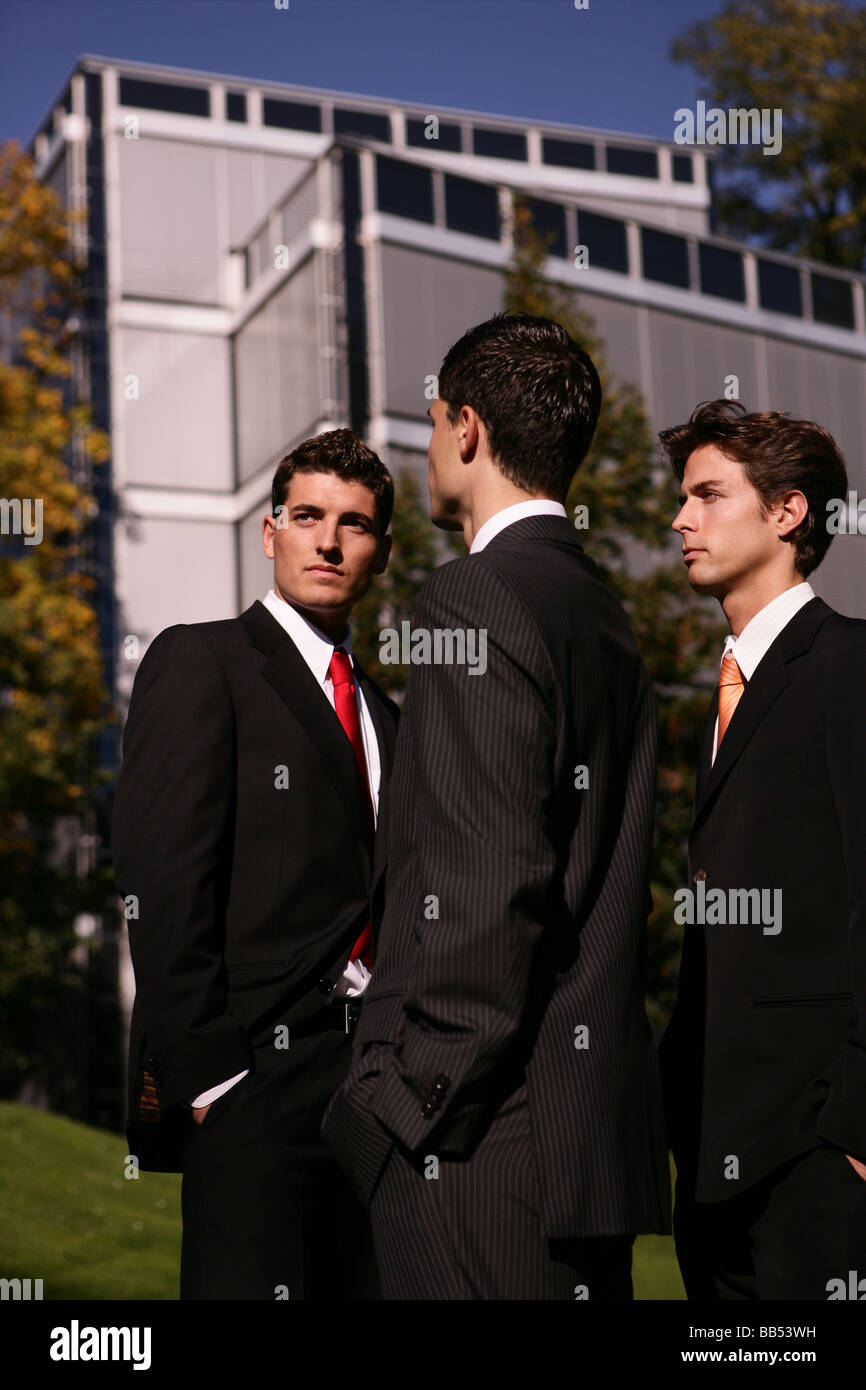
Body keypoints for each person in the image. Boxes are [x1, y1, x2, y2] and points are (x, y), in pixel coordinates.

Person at [323, 313, 671, 1300]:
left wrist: (390, 1108)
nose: (430, 448)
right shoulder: (604, 616)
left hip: (472, 1149)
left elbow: (485, 891)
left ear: (466, 429)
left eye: (433, 424)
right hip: (572, 1156)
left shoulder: (471, 600)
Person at [112, 429, 399, 1300]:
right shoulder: (203, 661)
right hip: (250, 1084)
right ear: (269, 531)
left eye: (354, 524)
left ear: (380, 552)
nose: (327, 540)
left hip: (373, 1093)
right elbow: (160, 879)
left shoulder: (392, 715)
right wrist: (211, 1078)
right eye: (307, 516)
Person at [659, 398, 866, 1300]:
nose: (680, 519)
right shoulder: (726, 688)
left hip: (815, 1166)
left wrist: (853, 1135)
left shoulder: (851, 666)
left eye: (708, 495)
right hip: (712, 1165)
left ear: (787, 512)